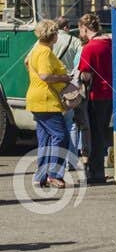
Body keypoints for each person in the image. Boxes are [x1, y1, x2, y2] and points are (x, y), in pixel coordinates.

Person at [25, 19, 72, 189]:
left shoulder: (36, 49)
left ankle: (40, 176)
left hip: (36, 98)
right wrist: (64, 78)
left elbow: (26, 62)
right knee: (61, 136)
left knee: (45, 139)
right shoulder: (45, 52)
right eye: (56, 33)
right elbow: (45, 76)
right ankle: (54, 174)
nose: (58, 35)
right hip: (46, 100)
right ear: (53, 35)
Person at [77, 12, 114, 185]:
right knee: (102, 131)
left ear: (85, 28)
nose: (80, 33)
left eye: (80, 30)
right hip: (110, 94)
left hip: (95, 94)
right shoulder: (109, 43)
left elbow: (84, 73)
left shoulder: (89, 48)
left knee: (94, 134)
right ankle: (98, 169)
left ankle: (96, 172)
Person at [51, 15, 85, 172]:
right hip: (69, 86)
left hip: (52, 87)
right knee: (70, 125)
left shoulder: (50, 41)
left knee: (54, 127)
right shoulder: (75, 41)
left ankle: (54, 163)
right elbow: (80, 63)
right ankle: (71, 161)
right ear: (66, 27)